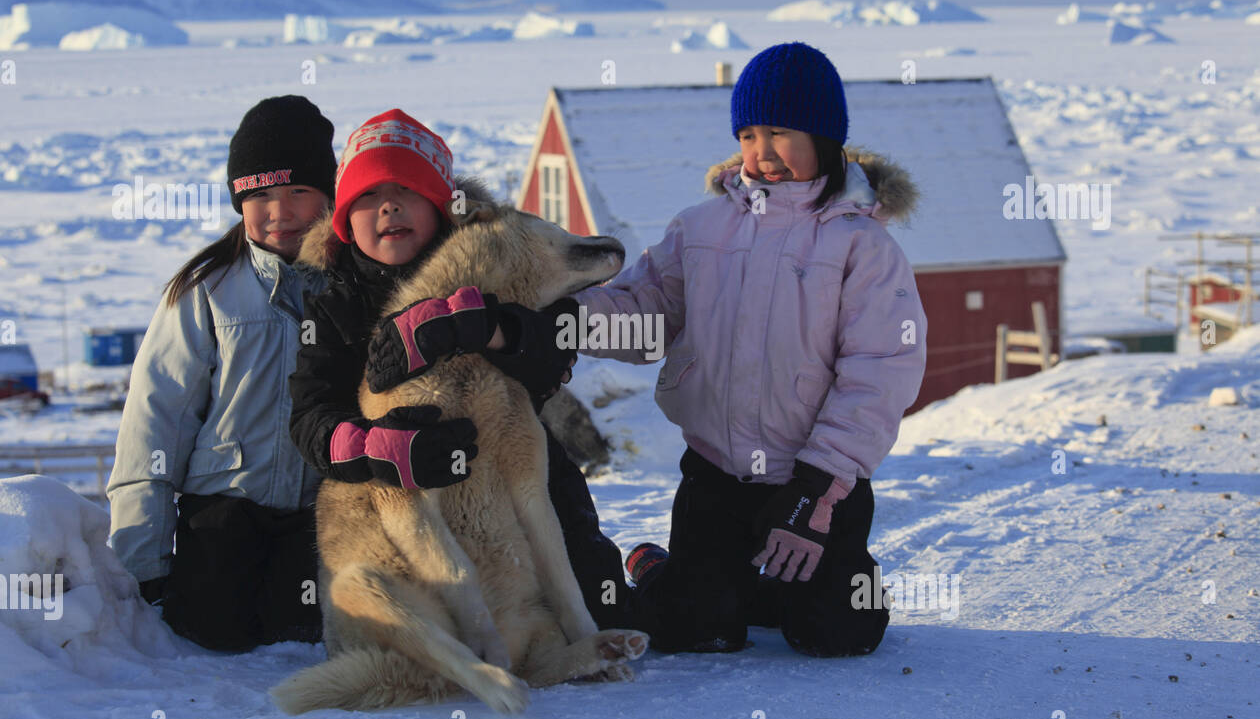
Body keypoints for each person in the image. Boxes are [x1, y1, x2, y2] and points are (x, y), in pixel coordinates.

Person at [570, 42, 927, 656]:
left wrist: (816, 498)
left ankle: (826, 581)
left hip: (815, 480)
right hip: (715, 474)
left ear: (824, 137)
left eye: (781, 132)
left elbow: (879, 370)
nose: (762, 151)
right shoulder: (701, 229)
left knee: (837, 636)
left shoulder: (861, 247)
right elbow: (644, 313)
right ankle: (670, 573)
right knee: (694, 628)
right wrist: (562, 319)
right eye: (749, 133)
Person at [288, 108, 632, 630]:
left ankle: (640, 576)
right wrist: (369, 446)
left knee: (607, 605)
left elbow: (556, 347)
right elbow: (311, 414)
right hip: (409, 498)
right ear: (343, 220)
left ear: (441, 205)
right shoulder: (336, 309)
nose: (388, 208)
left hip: (517, 479)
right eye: (367, 197)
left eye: (406, 191)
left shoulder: (500, 261)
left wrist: (489, 328)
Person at [107, 95, 337, 652]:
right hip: (225, 508)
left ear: (330, 194)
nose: (278, 210)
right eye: (259, 193)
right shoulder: (204, 292)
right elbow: (155, 424)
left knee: (304, 633)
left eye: (296, 191)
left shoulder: (352, 287)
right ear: (238, 199)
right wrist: (144, 566)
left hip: (320, 512)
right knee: (208, 631)